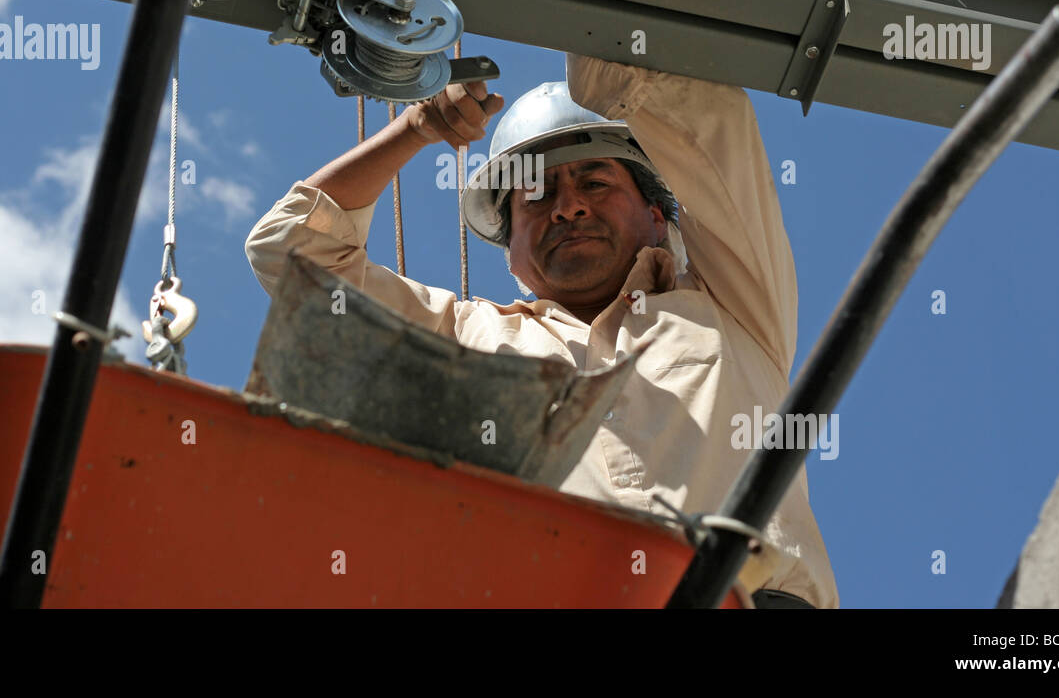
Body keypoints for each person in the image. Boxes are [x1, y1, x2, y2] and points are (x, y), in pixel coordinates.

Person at [246, 52, 839, 608]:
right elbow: (292, 252)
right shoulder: (465, 335)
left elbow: (691, 109)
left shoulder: (732, 302)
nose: (566, 206)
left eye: (595, 182)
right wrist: (418, 130)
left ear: (658, 217)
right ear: (511, 256)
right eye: (535, 194)